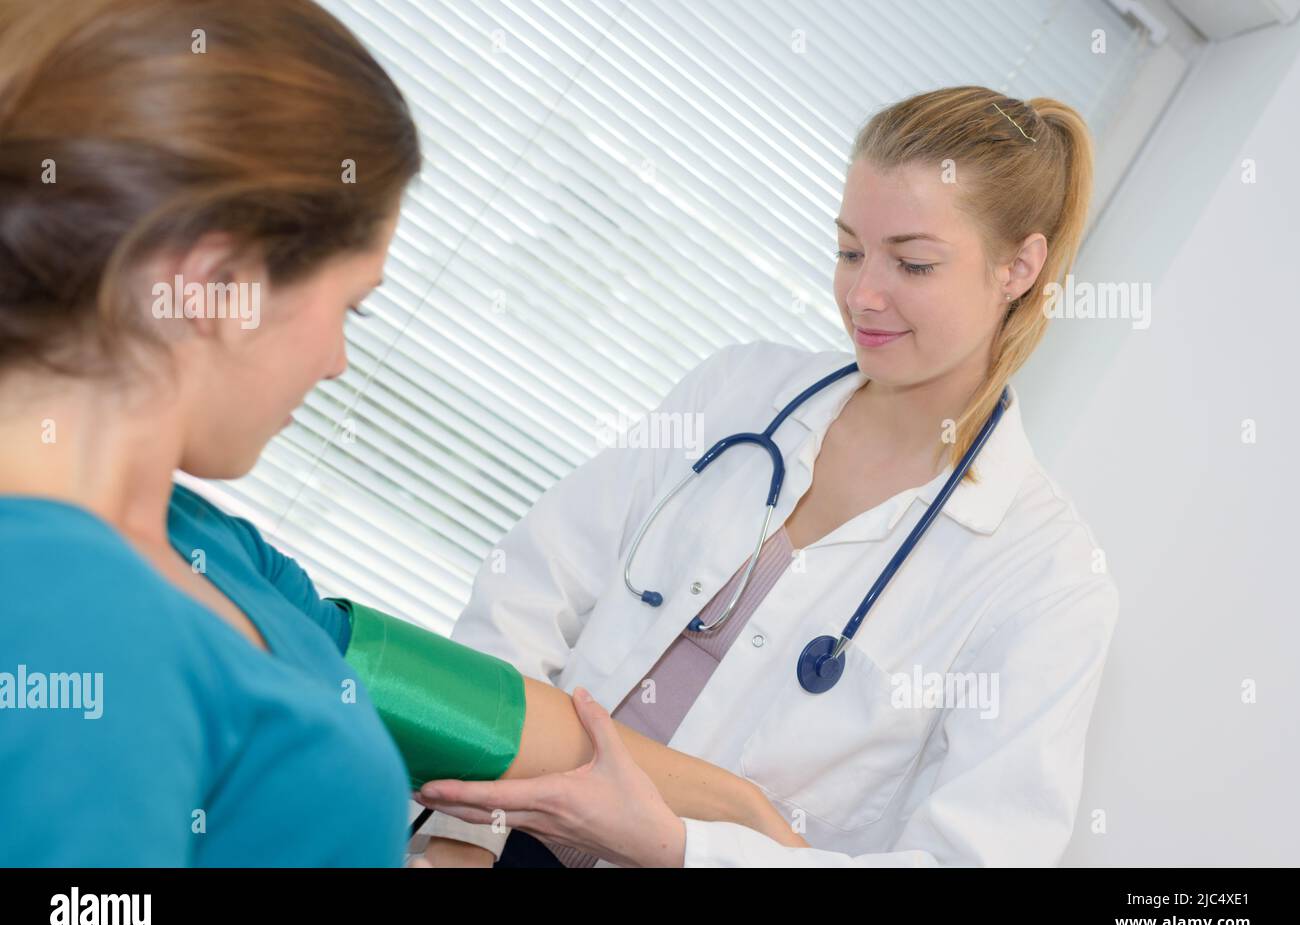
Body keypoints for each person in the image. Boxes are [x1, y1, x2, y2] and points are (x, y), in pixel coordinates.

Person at [0, 0, 804, 867]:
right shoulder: (73, 618)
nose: (340, 359)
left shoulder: (204, 544)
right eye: (350, 306)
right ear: (217, 283)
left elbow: (449, 700)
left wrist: (738, 814)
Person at [415, 86, 1122, 867]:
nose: (863, 295)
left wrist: (685, 846)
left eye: (913, 262)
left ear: (1020, 266)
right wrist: (463, 830)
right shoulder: (740, 392)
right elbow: (531, 586)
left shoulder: (1047, 581)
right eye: (850, 250)